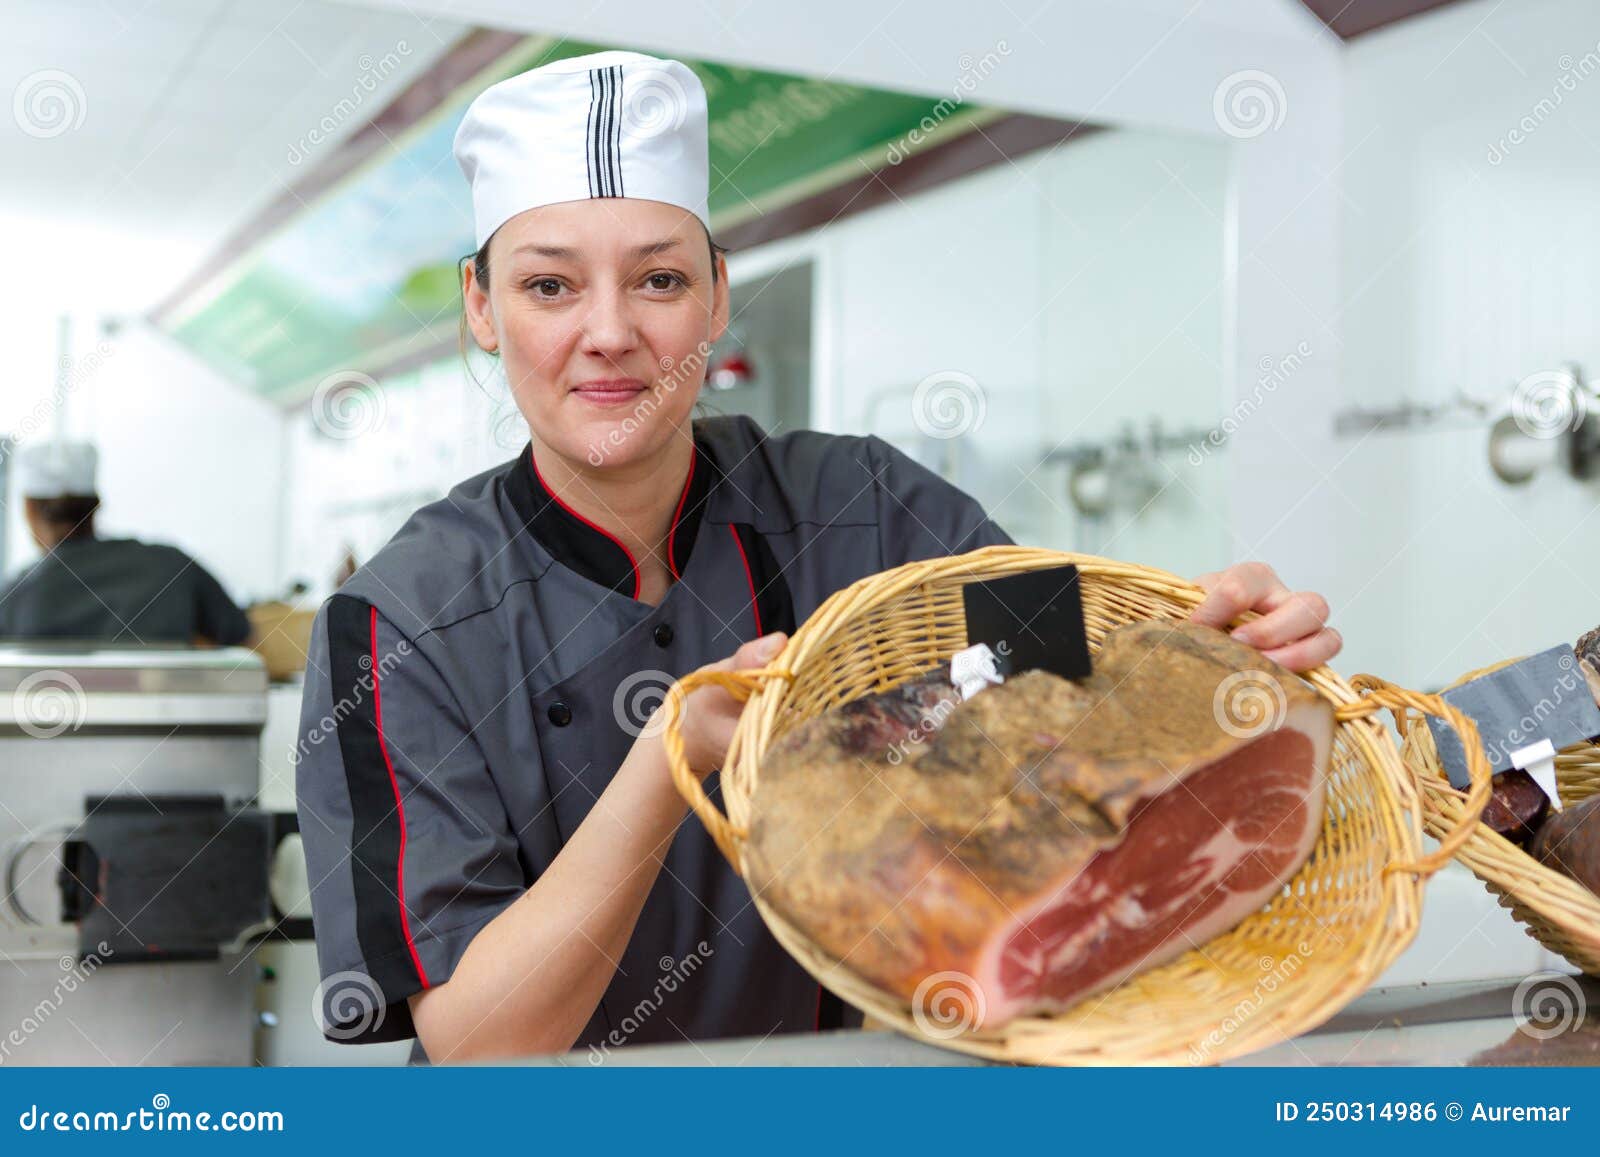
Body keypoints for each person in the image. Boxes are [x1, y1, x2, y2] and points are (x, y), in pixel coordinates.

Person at [293, 50, 1341, 1064]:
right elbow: (482, 1041)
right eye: (550, 287)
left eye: (657, 279)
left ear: (714, 294)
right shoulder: (400, 621)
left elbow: (1067, 671)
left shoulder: (864, 506)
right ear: (483, 308)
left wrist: (1210, 644)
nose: (609, 332)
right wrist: (668, 757)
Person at [0, 440, 251, 645]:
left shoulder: (14, 595)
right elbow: (241, 635)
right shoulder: (171, 565)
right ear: (97, 505)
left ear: (29, 509)